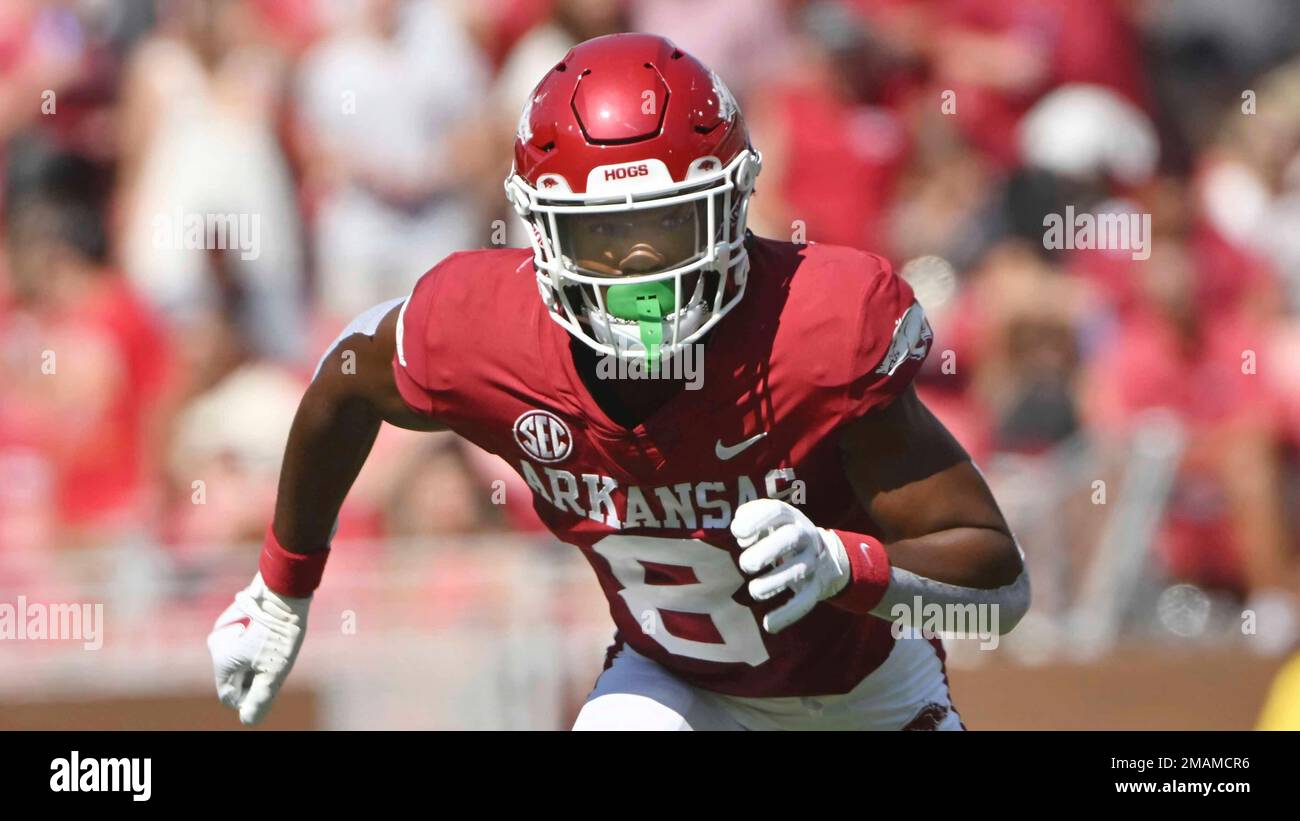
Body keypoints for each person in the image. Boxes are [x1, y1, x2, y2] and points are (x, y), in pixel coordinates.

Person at [207, 33, 1029, 730]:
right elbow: (346, 381)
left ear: (733, 202)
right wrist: (282, 585)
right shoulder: (486, 330)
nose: (642, 268)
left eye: (670, 222)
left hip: (871, 706)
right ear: (543, 232)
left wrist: (846, 566)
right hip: (679, 691)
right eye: (604, 237)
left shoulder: (816, 330)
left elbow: (1002, 596)